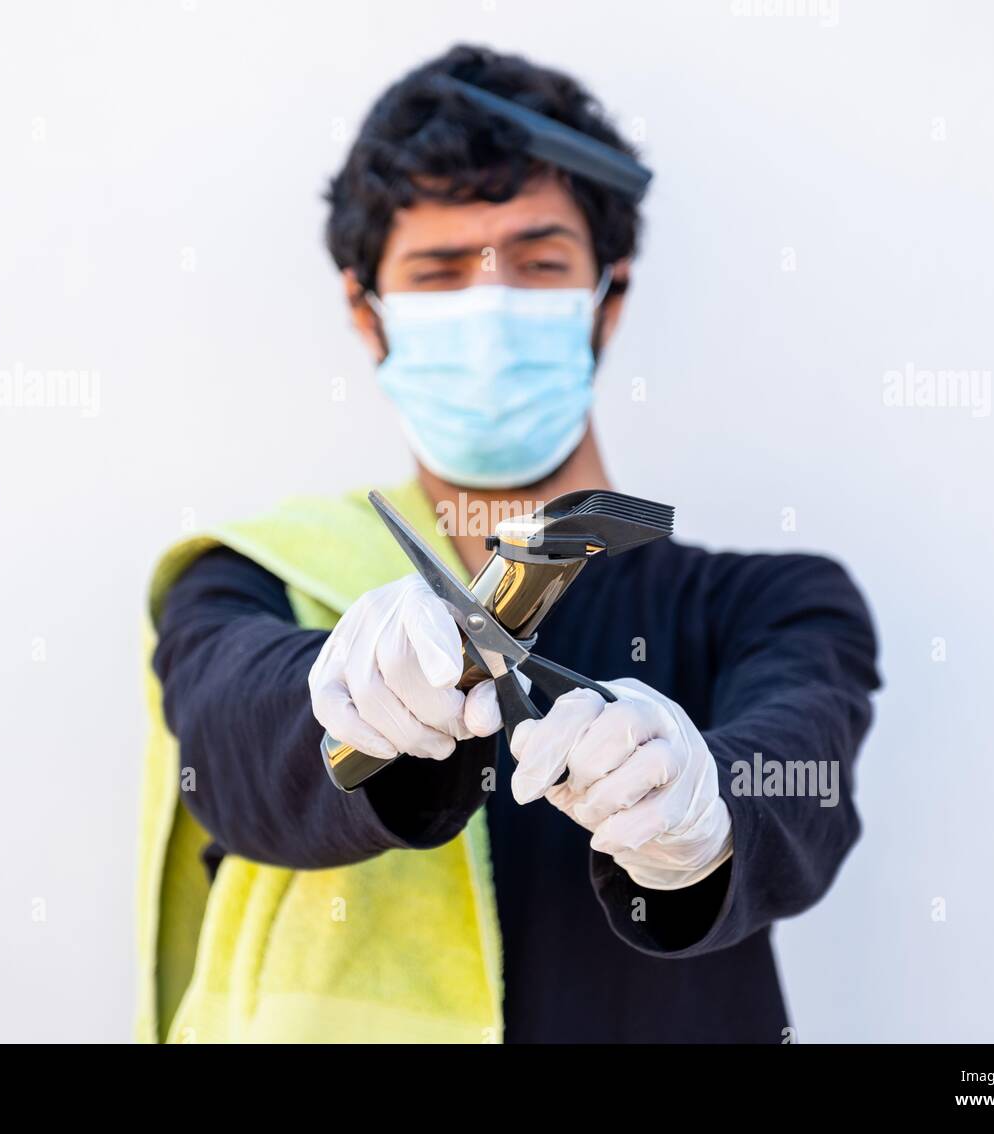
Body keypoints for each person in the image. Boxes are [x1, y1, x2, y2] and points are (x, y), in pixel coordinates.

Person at [135, 43, 881, 1044]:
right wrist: (347, 698)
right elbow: (230, 747)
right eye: (441, 273)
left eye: (537, 266)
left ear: (607, 300)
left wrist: (700, 819)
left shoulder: (774, 603)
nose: (489, 311)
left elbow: (804, 772)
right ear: (366, 312)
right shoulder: (258, 577)